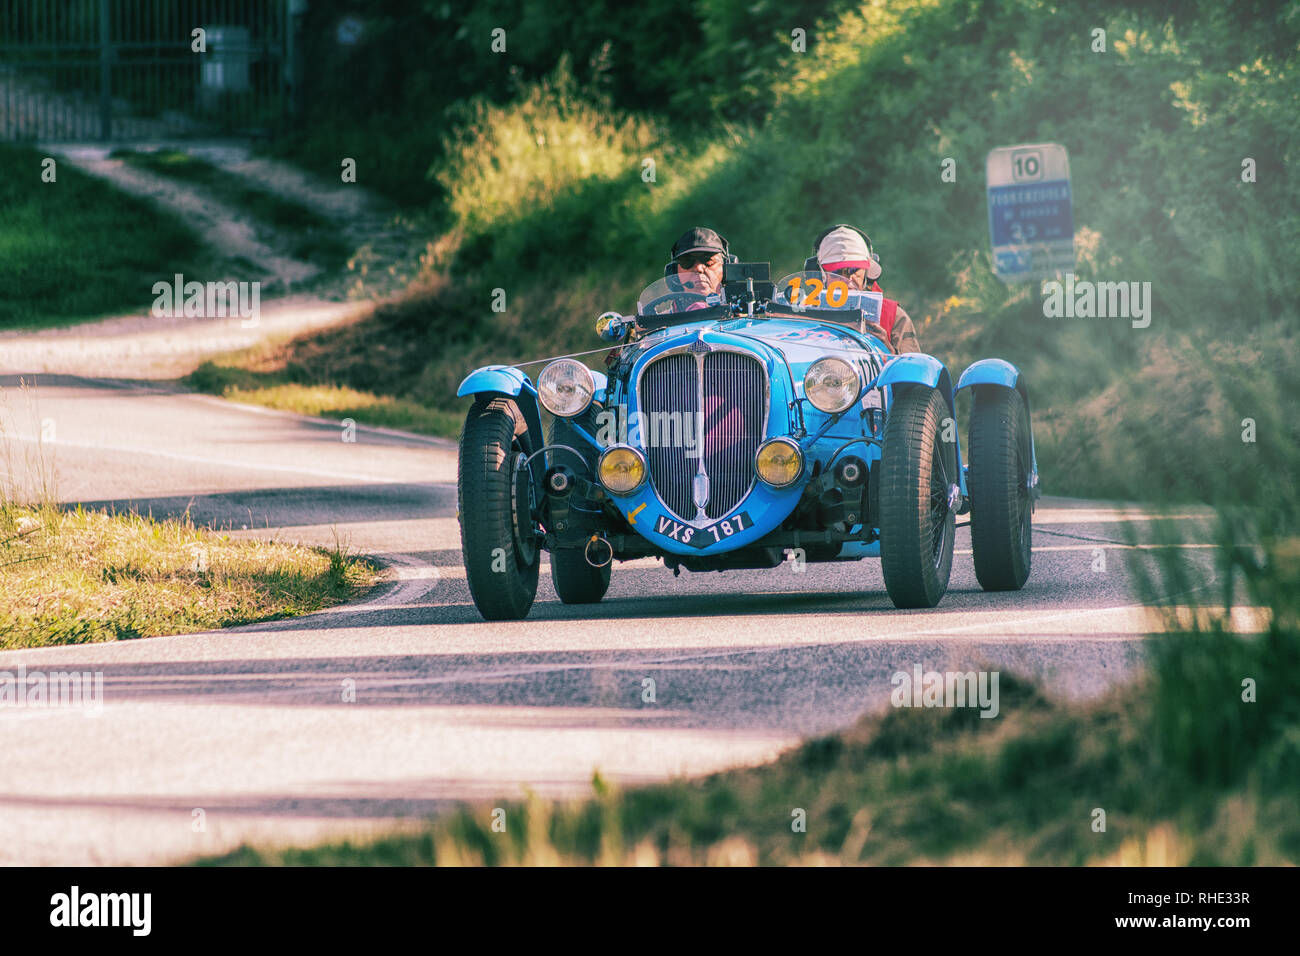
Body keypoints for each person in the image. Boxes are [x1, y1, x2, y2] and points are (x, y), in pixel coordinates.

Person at [812, 225, 921, 354]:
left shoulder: (895, 316)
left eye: (854, 270)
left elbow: (912, 369)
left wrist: (886, 348)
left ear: (868, 271)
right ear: (821, 274)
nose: (847, 279)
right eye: (837, 271)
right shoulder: (805, 313)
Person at [666, 226, 732, 299]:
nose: (698, 268)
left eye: (708, 261)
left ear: (726, 268)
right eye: (687, 262)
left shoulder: (745, 309)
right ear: (674, 272)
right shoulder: (653, 310)